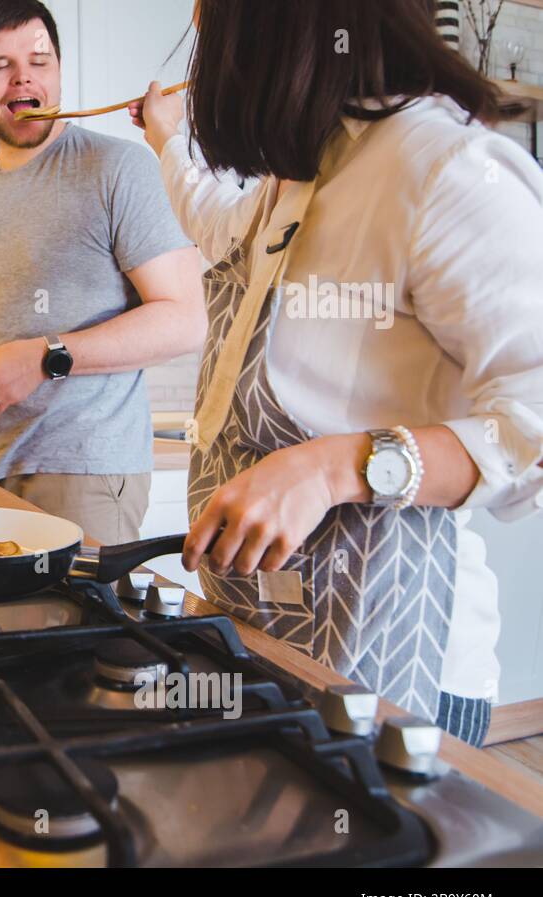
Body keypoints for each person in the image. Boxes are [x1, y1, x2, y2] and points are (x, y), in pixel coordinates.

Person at [129, 0, 543, 745]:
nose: (199, 33)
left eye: (209, 15)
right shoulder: (292, 184)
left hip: (394, 674)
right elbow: (208, 213)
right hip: (268, 643)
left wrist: (336, 468)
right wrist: (166, 139)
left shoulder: (441, 171)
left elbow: (534, 428)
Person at [0, 0, 206, 546]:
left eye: (39, 61)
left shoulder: (119, 169)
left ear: (59, 73)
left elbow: (185, 319)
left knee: (59, 630)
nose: (23, 76)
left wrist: (44, 357)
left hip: (80, 472)